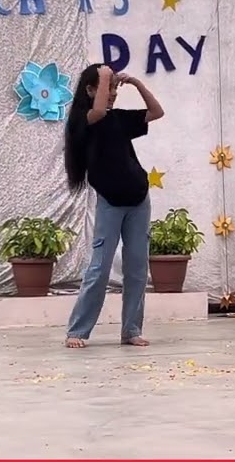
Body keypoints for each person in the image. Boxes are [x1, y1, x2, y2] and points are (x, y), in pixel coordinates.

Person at [63, 64, 164, 348]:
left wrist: (136, 83)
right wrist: (106, 73)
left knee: (137, 268)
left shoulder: (118, 118)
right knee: (100, 268)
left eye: (114, 90)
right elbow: (96, 112)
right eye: (107, 89)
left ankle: (131, 330)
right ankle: (77, 330)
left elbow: (156, 112)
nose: (112, 94)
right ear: (90, 90)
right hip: (110, 201)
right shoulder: (84, 120)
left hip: (139, 199)